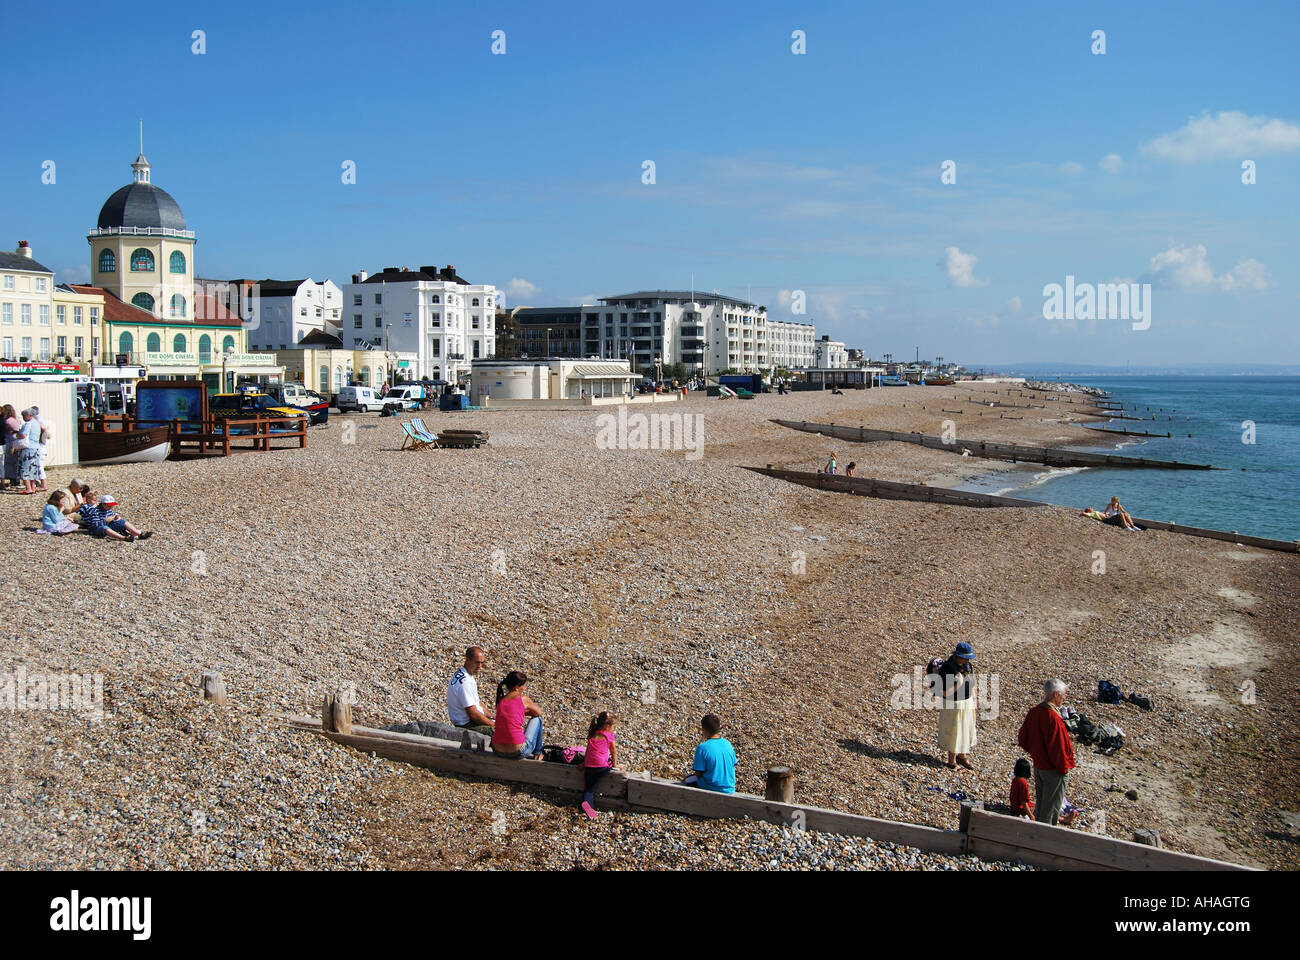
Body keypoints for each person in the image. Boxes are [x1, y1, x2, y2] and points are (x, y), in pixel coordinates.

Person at [1017, 679, 1076, 826]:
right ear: (1056, 695)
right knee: (1050, 809)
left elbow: (1023, 739)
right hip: (1053, 770)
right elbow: (1059, 748)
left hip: (1039, 766)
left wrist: (1037, 753)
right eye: (1063, 695)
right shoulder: (1053, 718)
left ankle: (1037, 834)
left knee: (1042, 804)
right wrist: (1063, 768)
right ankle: (1042, 840)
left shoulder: (1034, 712)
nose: (1064, 698)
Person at [937, 642, 978, 770]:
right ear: (957, 656)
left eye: (968, 658)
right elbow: (942, 692)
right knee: (954, 730)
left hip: (966, 702)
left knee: (965, 728)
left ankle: (962, 755)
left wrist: (974, 698)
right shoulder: (948, 668)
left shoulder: (967, 666)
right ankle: (952, 760)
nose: (967, 660)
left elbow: (972, 682)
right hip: (953, 703)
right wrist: (957, 685)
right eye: (965, 657)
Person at [491, 670, 544, 759]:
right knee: (537, 719)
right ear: (516, 687)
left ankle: (538, 753)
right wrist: (525, 712)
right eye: (524, 685)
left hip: (497, 750)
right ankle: (538, 753)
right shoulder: (523, 699)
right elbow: (539, 712)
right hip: (517, 751)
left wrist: (521, 712)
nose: (525, 688)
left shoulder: (501, 701)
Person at [447, 646, 493, 736]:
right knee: (504, 734)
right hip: (467, 725)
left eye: (482, 663)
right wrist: (494, 725)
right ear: (467, 660)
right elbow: (473, 714)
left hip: (469, 721)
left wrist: (491, 717)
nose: (480, 666)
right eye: (477, 662)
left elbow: (477, 703)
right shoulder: (465, 682)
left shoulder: (463, 674)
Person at [685, 714, 736, 793]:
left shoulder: (702, 747)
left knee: (687, 780)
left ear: (704, 729)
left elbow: (698, 774)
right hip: (729, 789)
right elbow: (733, 765)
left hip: (711, 787)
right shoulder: (728, 744)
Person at [581, 711, 618, 819]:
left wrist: (583, 764)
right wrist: (615, 765)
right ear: (607, 726)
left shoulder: (592, 734)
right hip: (601, 768)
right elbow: (613, 752)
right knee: (609, 761)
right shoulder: (609, 736)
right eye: (613, 726)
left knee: (589, 789)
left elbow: (588, 752)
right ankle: (590, 808)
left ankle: (588, 807)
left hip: (589, 766)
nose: (613, 729)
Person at [78, 490, 148, 541]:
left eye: (112, 505)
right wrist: (105, 521)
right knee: (104, 527)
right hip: (96, 530)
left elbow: (112, 517)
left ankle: (139, 534)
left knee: (123, 521)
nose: (111, 507)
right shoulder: (95, 511)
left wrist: (116, 518)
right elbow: (94, 525)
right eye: (109, 505)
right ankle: (123, 538)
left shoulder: (109, 510)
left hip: (108, 526)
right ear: (103, 504)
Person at [15, 408, 44, 495]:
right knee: (33, 468)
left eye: (24, 415)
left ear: (29, 415)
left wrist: (17, 434)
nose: (23, 417)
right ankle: (32, 487)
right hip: (36, 447)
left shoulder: (28, 424)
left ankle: (28, 488)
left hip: (27, 447)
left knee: (25, 468)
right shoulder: (37, 424)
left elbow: (23, 435)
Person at [1, 403, 21, 490]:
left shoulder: (8, 420)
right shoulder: (15, 419)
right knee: (14, 462)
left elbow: (16, 430)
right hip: (13, 441)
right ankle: (15, 479)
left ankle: (14, 479)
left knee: (11, 461)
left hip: (11, 441)